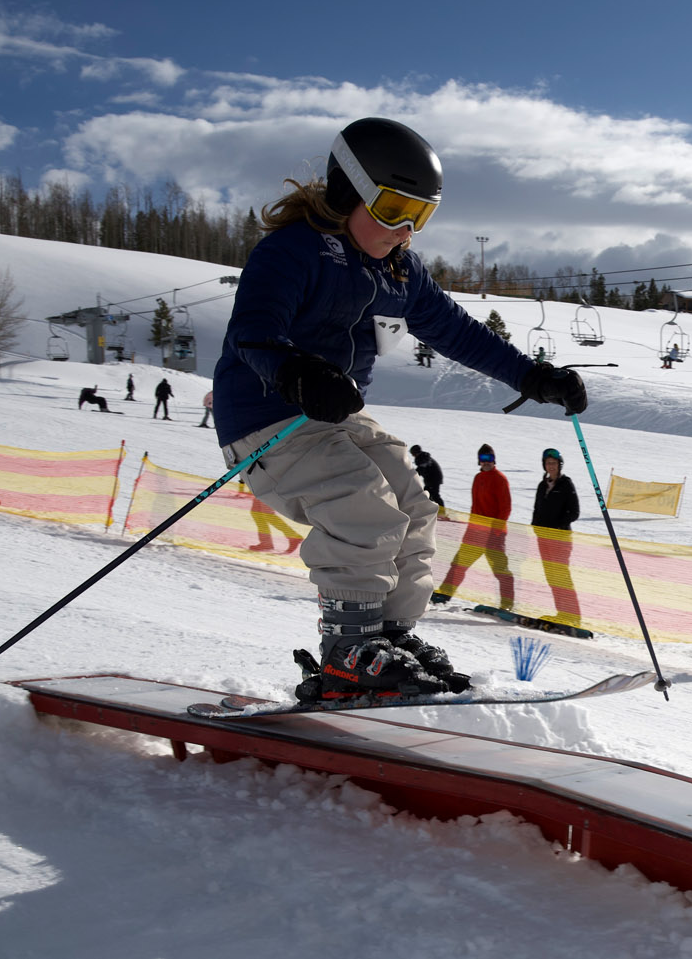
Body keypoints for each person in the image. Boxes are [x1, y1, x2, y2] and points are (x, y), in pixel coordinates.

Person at [212, 117, 586, 703]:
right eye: (392, 208)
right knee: (360, 503)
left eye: (421, 215)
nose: (405, 229)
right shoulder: (292, 250)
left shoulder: (398, 269)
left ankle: (389, 635)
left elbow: (459, 332)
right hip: (269, 415)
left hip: (336, 416)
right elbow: (253, 334)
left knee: (412, 501)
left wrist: (533, 376)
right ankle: (348, 649)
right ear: (347, 191)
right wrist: (296, 372)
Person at [434, 444, 518, 612]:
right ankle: (443, 595)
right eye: (483, 459)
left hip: (494, 534)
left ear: (494, 460)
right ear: (479, 461)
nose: (486, 462)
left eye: (489, 459)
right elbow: (475, 507)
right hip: (475, 532)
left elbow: (505, 508)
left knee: (500, 569)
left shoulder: (500, 479)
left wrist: (496, 530)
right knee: (458, 564)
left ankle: (507, 604)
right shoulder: (478, 478)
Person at [530, 447, 585, 635]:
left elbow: (574, 512)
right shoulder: (542, 485)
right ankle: (562, 613)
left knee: (562, 576)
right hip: (543, 538)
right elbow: (537, 509)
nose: (551, 466)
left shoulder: (565, 484)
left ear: (559, 465)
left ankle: (573, 616)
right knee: (552, 576)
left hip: (560, 538)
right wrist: (535, 526)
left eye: (553, 463)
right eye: (548, 463)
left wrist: (557, 526)